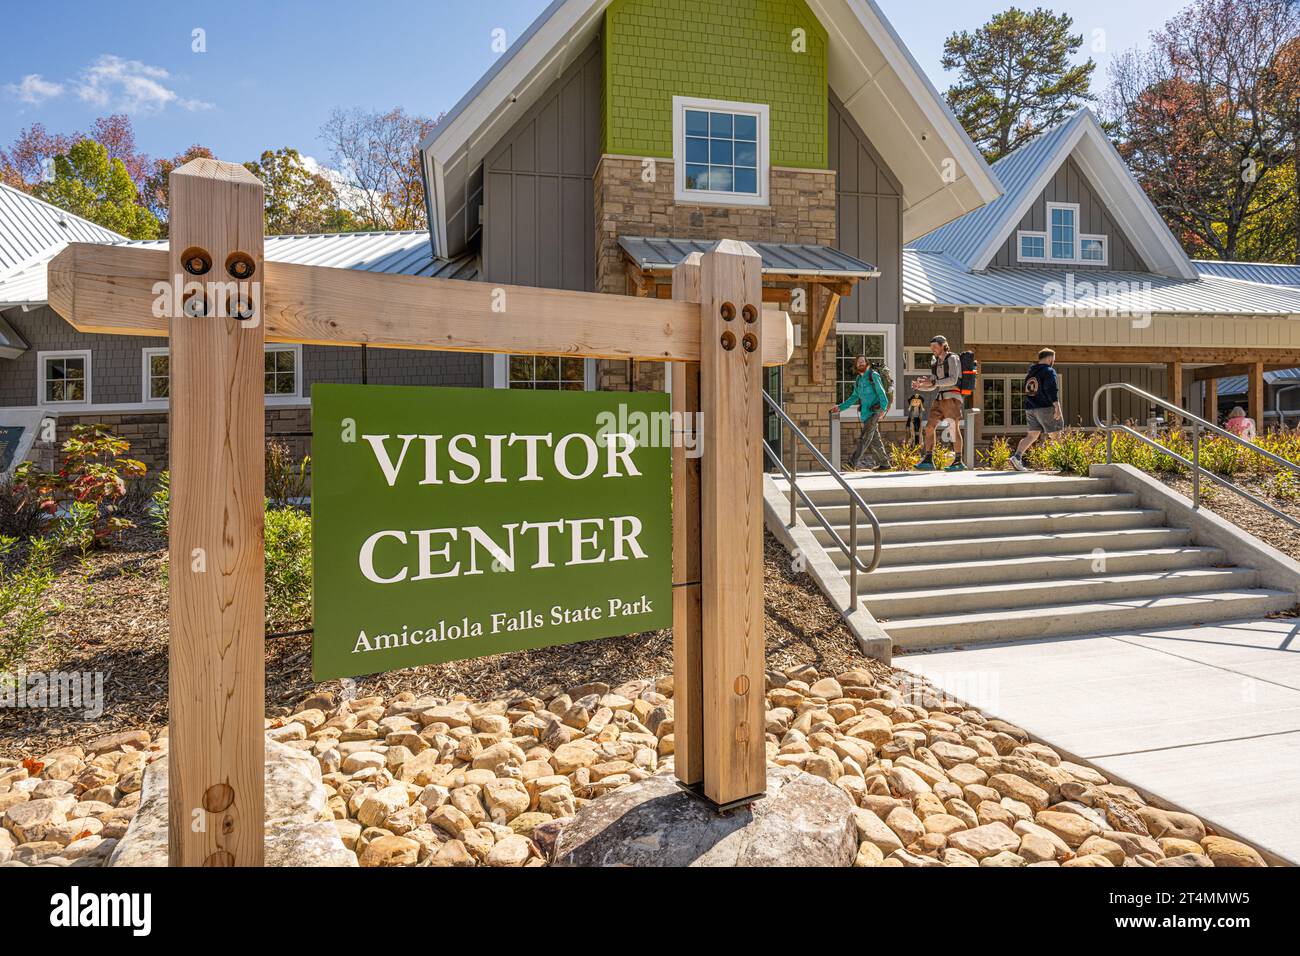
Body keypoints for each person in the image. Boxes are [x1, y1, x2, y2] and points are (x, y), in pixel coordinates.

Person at [914, 335, 965, 471]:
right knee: (929, 427)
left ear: (943, 345)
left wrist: (933, 382)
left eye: (935, 347)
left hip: (952, 398)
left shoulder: (952, 358)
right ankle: (929, 460)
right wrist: (921, 386)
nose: (933, 350)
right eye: (931, 348)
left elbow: (953, 379)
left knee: (953, 429)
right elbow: (933, 384)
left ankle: (958, 461)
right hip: (939, 398)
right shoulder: (935, 362)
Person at [833, 355, 890, 471]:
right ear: (856, 365)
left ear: (867, 363)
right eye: (858, 362)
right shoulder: (858, 379)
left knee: (864, 438)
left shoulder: (873, 375)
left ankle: (851, 463)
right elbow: (854, 397)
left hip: (875, 411)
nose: (861, 363)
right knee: (874, 440)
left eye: (863, 361)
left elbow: (881, 393)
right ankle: (885, 464)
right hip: (865, 414)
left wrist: (884, 409)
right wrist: (840, 407)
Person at [1010, 348, 1063, 472]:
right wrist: (1057, 406)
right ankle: (1063, 462)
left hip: (1031, 408)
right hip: (1045, 407)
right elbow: (1051, 389)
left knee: (1032, 435)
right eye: (1053, 359)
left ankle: (1017, 457)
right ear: (1050, 358)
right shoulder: (1049, 371)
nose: (1053, 362)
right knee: (1056, 435)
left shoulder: (1030, 373)